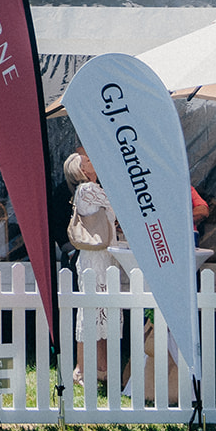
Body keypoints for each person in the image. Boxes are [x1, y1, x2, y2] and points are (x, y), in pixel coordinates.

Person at [64, 150, 120, 386]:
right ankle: (82, 369)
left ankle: (100, 368)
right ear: (81, 170)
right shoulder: (87, 189)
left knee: (100, 312)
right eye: (87, 160)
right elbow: (116, 204)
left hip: (102, 255)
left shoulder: (90, 190)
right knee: (91, 313)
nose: (91, 159)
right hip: (94, 258)